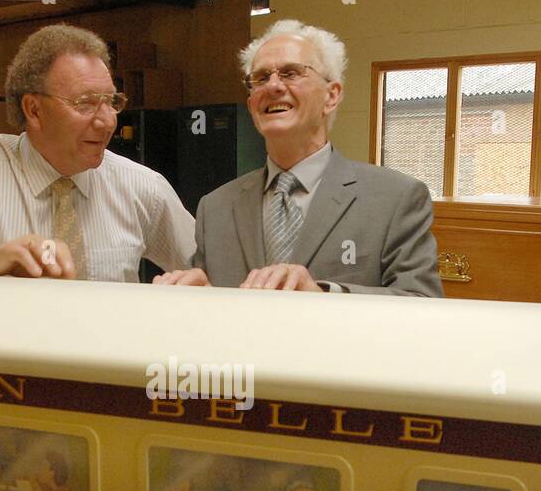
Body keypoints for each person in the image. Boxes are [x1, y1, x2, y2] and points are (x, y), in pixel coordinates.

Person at [0, 24, 195, 281]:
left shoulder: (141, 186)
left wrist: (200, 282)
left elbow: (210, 268)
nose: (107, 120)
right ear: (34, 109)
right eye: (85, 103)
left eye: (112, 101)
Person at [155, 20, 442, 296]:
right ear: (251, 103)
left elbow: (421, 304)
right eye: (261, 78)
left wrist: (322, 294)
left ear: (331, 96)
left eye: (291, 73)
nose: (274, 86)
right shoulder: (215, 209)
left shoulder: (395, 199)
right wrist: (198, 299)